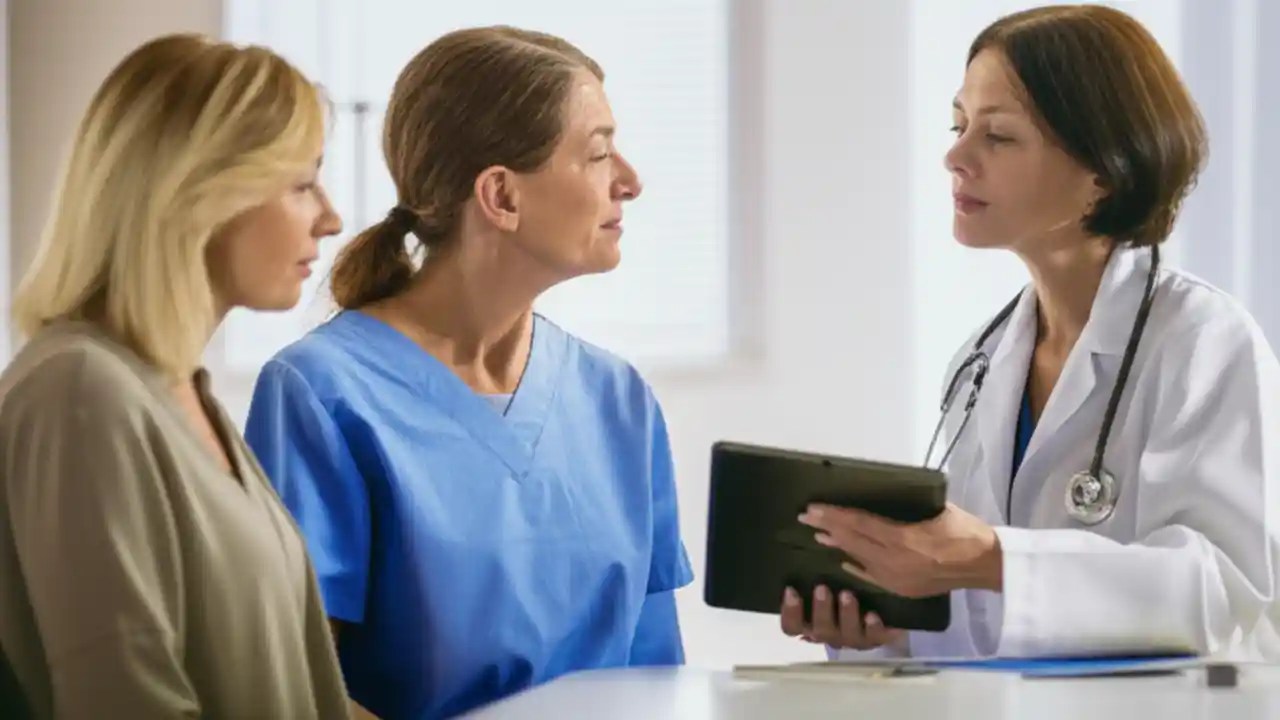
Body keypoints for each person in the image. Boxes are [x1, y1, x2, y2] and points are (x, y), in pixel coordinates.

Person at [782, 4, 1280, 660]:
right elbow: (988, 623)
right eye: (958, 124)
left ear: (1104, 170)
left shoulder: (1202, 342)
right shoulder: (981, 362)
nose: (954, 156)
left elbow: (1228, 596)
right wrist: (888, 627)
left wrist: (994, 558)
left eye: (998, 136)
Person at [243, 26, 693, 719]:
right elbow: (300, 691)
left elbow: (654, 680)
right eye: (599, 152)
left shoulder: (618, 400)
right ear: (501, 196)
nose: (629, 181)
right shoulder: (321, 394)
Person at [0, 34, 350, 717]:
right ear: (200, 194)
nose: (332, 218)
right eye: (303, 184)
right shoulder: (80, 394)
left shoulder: (181, 393)